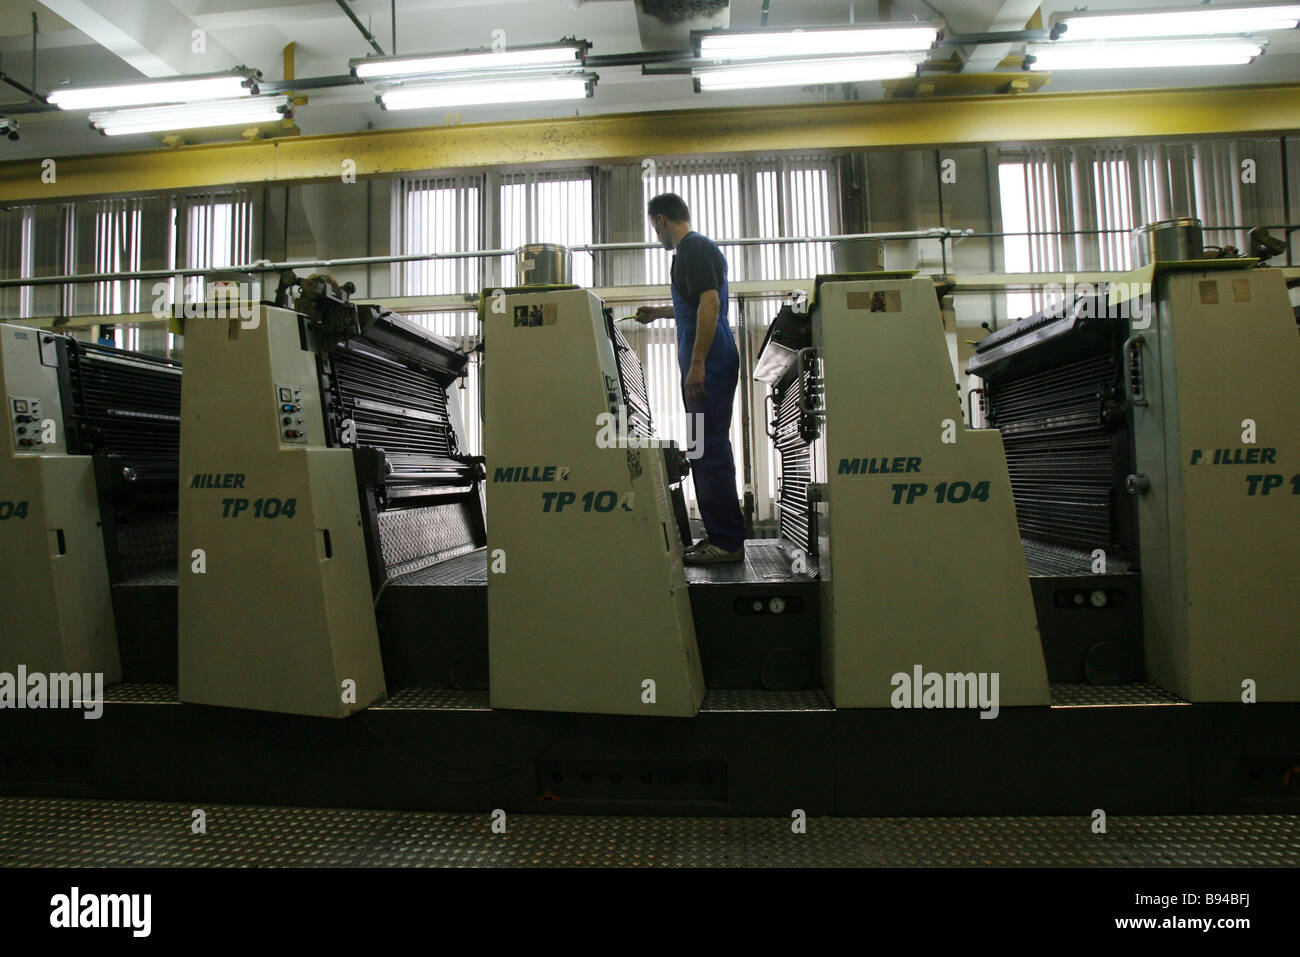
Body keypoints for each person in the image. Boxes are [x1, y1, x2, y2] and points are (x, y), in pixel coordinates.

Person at [635, 193, 745, 565]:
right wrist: (660, 313)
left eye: (655, 227)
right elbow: (696, 303)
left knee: (708, 447)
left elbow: (711, 303)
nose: (657, 235)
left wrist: (697, 364)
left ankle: (727, 541)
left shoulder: (694, 248)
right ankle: (719, 534)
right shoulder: (688, 254)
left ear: (662, 220)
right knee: (702, 445)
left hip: (709, 360)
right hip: (705, 359)